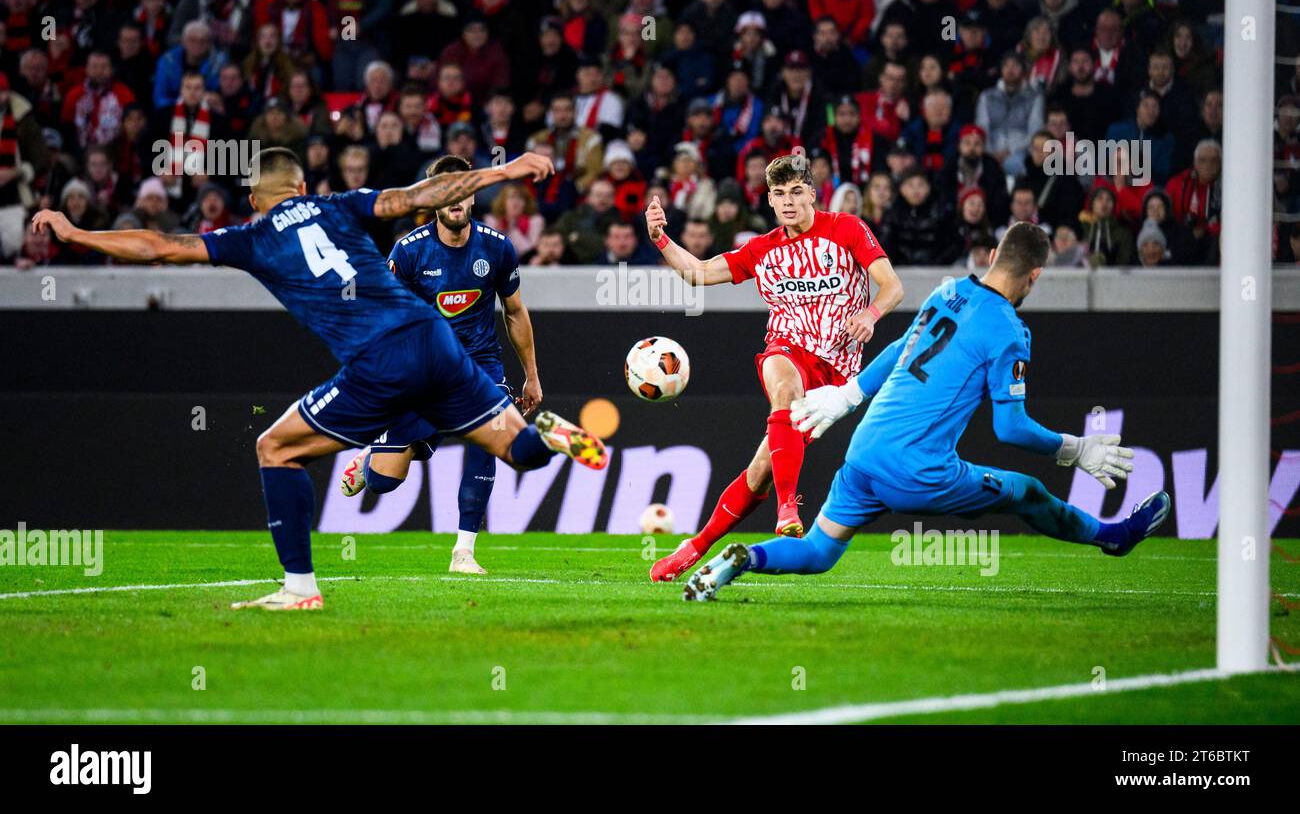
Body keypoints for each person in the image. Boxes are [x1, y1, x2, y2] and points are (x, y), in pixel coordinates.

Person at [30, 148, 606, 610]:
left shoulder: (250, 237)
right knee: (519, 452)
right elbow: (416, 198)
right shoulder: (340, 205)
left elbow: (158, 246)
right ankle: (551, 433)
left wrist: (73, 232)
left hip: (380, 359)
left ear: (255, 199)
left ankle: (299, 587)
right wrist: (503, 171)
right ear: (304, 188)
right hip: (434, 337)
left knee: (275, 448)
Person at [684, 222, 1169, 601]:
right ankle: (1114, 536)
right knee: (1028, 492)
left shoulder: (947, 292)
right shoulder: (1010, 331)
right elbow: (1010, 428)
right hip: (920, 470)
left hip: (863, 454)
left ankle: (747, 557)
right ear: (1036, 276)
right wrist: (1073, 448)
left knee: (817, 551)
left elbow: (900, 345)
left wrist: (848, 396)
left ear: (994, 255)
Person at [645, 155, 904, 582]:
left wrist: (871, 314)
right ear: (769, 199)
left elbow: (892, 285)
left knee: (759, 472)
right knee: (784, 388)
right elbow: (698, 273)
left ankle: (695, 547)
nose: (788, 202)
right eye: (779, 194)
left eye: (796, 192)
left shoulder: (847, 229)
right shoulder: (762, 249)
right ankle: (788, 508)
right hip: (786, 347)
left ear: (812, 194)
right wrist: (660, 239)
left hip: (836, 370)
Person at [338, 156, 543, 576]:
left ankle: (463, 552)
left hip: (479, 366)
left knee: (493, 436)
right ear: (431, 200)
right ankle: (382, 455)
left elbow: (515, 311)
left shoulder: (497, 247)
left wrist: (531, 376)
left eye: (462, 190)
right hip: (423, 371)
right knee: (383, 482)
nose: (455, 200)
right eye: (445, 192)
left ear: (473, 195)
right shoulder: (409, 252)